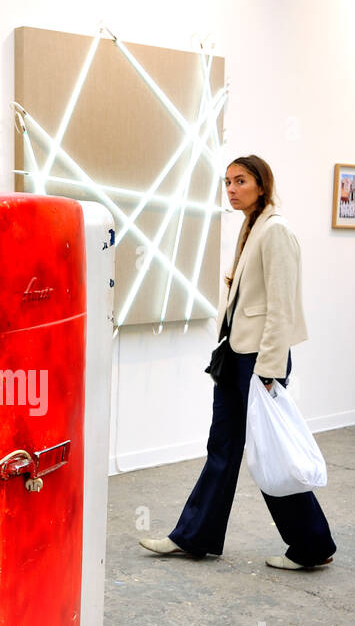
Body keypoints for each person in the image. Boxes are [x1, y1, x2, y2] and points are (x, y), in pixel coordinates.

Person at [139, 155, 336, 570]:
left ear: (261, 184)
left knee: (270, 453)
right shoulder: (251, 226)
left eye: (240, 181)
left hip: (258, 362)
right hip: (236, 355)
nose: (231, 189)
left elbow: (281, 307)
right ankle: (195, 537)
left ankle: (313, 545)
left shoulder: (276, 231)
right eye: (227, 181)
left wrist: (267, 369)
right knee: (223, 448)